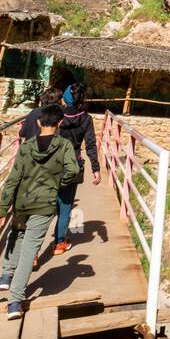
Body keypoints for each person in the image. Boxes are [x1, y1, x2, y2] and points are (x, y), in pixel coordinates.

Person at [0, 104, 79, 320]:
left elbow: (13, 179)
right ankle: (15, 300)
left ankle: (5, 275)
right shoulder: (64, 146)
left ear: (39, 122)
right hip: (44, 203)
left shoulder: (26, 147)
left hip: (22, 200)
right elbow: (73, 170)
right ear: (60, 123)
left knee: (16, 235)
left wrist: (3, 209)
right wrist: (57, 183)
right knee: (30, 248)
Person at [52, 82, 100, 254]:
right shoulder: (86, 118)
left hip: (52, 164)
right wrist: (96, 168)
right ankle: (59, 242)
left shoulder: (55, 115)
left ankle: (33, 252)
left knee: (44, 206)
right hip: (73, 165)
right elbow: (91, 145)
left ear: (65, 98)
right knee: (66, 205)